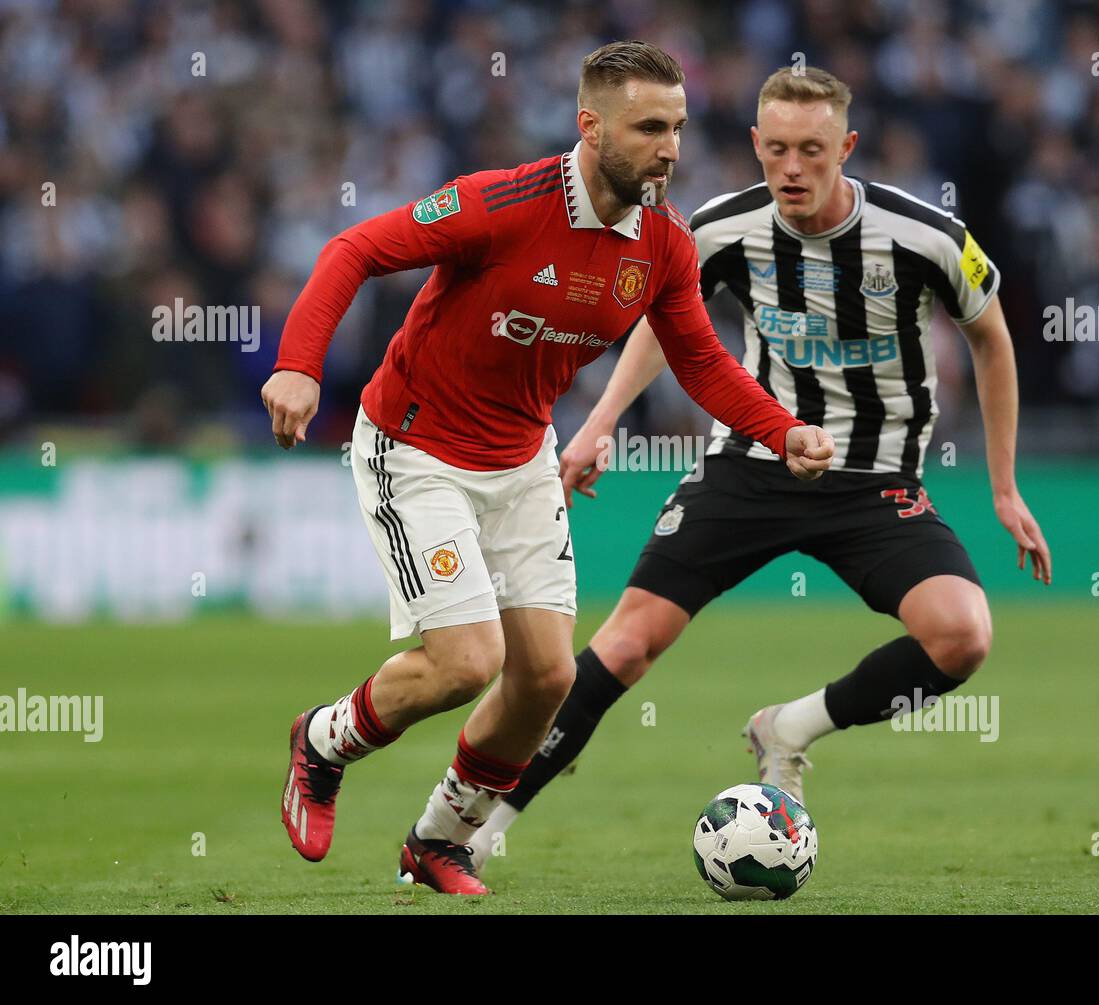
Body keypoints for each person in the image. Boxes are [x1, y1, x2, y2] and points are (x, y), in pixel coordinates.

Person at [263, 42, 835, 895]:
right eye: (649, 128)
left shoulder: (665, 245)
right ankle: (322, 742)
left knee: (548, 676)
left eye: (678, 128)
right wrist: (300, 363)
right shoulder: (499, 204)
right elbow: (353, 249)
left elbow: (702, 361)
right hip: (416, 447)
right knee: (465, 661)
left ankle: (437, 840)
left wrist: (783, 430)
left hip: (522, 455)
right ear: (590, 126)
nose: (671, 148)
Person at [470, 65, 1052, 866]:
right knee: (628, 641)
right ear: (755, 144)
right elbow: (662, 325)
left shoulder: (928, 237)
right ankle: (482, 822)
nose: (791, 168)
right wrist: (600, 421)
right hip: (752, 461)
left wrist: (1004, 486)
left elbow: (992, 336)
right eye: (775, 148)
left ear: (845, 146)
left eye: (812, 150)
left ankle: (789, 727)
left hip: (876, 483)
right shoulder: (718, 228)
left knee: (962, 637)